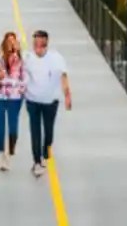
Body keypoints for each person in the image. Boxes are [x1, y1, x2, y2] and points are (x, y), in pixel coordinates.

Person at [24, 29, 71, 178]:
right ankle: (37, 161)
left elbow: (63, 76)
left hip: (50, 101)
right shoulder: (27, 58)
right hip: (32, 100)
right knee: (35, 130)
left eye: (40, 43)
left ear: (45, 44)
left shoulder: (56, 58)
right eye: (35, 43)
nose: (37, 47)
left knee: (48, 130)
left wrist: (67, 95)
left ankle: (46, 148)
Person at [0, 32, 26, 171]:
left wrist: (22, 89)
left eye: (13, 41)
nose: (11, 44)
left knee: (13, 127)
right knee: (1, 126)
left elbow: (24, 78)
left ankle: (11, 148)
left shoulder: (21, 60)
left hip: (15, 98)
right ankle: (2, 154)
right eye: (9, 41)